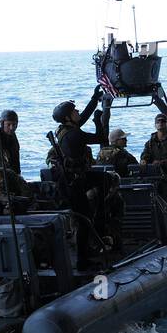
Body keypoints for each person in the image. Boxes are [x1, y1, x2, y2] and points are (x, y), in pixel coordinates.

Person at [49, 91, 116, 265]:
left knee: (105, 179)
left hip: (75, 179)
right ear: (68, 117)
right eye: (75, 111)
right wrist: (97, 121)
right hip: (74, 184)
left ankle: (98, 222)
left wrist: (94, 99)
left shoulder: (65, 130)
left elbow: (82, 117)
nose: (78, 112)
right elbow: (102, 138)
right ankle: (82, 260)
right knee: (84, 219)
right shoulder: (74, 135)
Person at [0, 109, 21, 176]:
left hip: (10, 172)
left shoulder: (13, 137)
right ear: (2, 123)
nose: (11, 128)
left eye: (14, 124)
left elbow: (16, 158)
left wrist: (18, 175)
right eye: (8, 124)